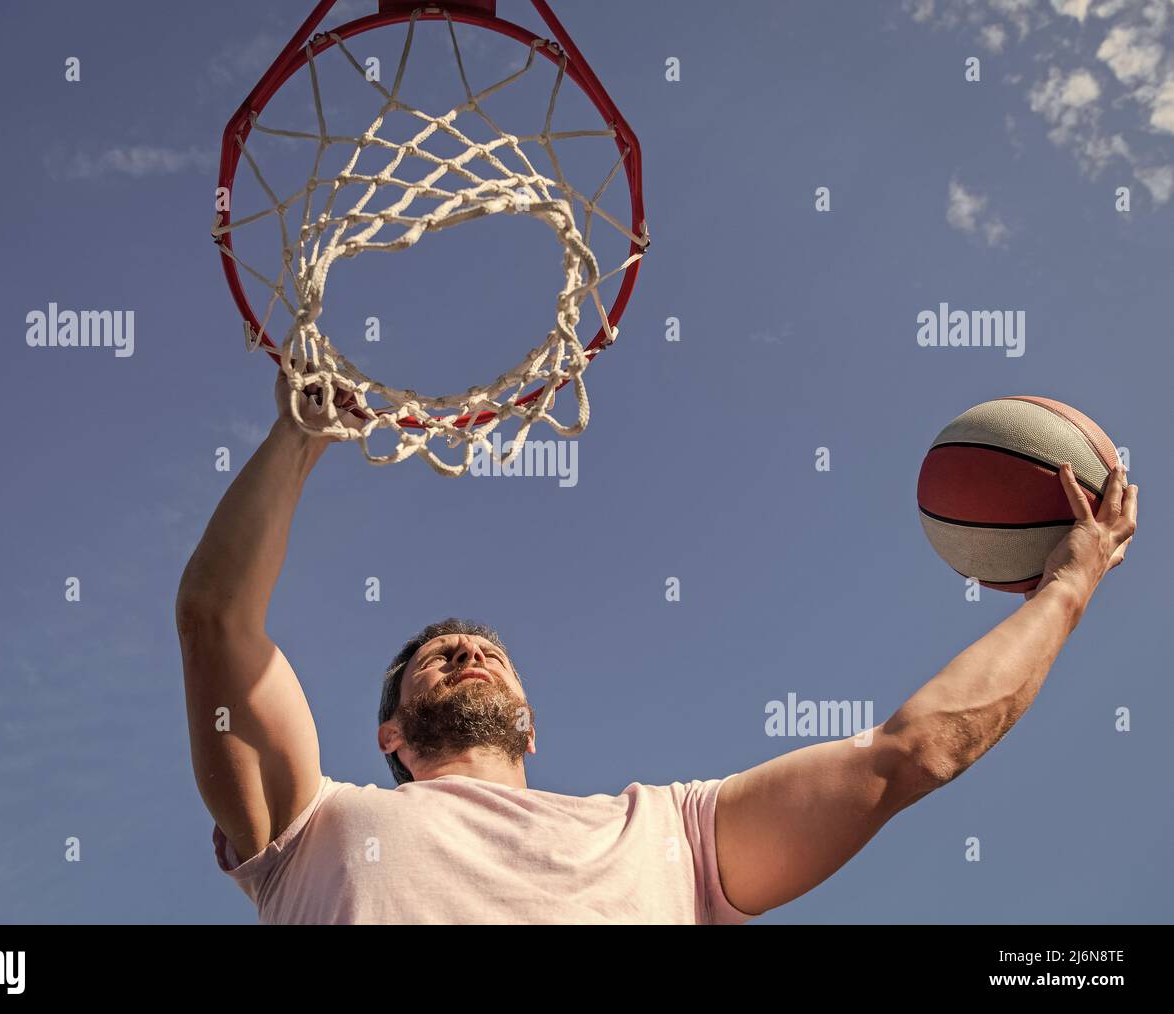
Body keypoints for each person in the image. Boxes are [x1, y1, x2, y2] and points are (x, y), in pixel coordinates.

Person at [176, 374, 1137, 924]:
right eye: (437, 655)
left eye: (484, 649)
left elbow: (909, 751)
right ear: (391, 732)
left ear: (533, 723)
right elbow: (218, 617)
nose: (466, 650)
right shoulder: (315, 828)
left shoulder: (669, 834)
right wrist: (299, 435)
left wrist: (1070, 584)